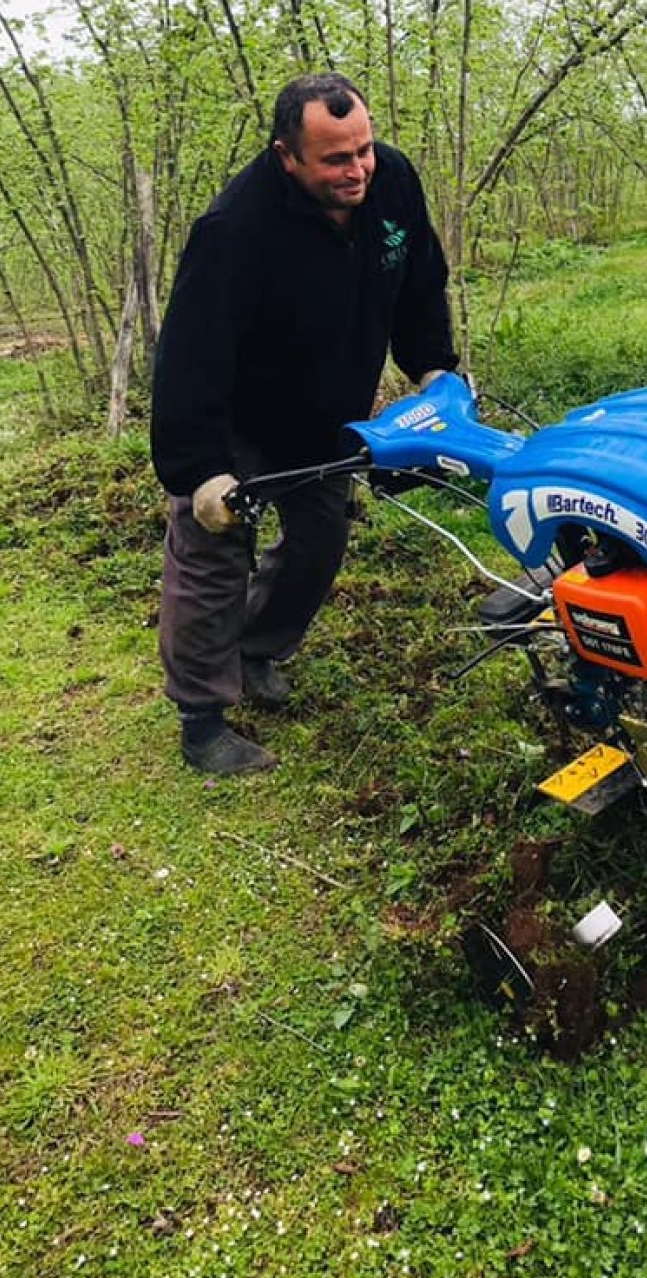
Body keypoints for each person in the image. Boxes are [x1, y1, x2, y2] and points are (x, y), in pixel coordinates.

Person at [150, 73, 459, 774]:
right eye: (335, 159)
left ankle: (254, 648)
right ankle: (202, 719)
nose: (356, 170)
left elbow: (420, 282)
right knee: (211, 556)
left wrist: (433, 367)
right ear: (288, 155)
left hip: (324, 412)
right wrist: (201, 471)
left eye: (363, 150)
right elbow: (189, 356)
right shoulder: (235, 229)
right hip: (235, 418)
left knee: (319, 543)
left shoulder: (392, 183)